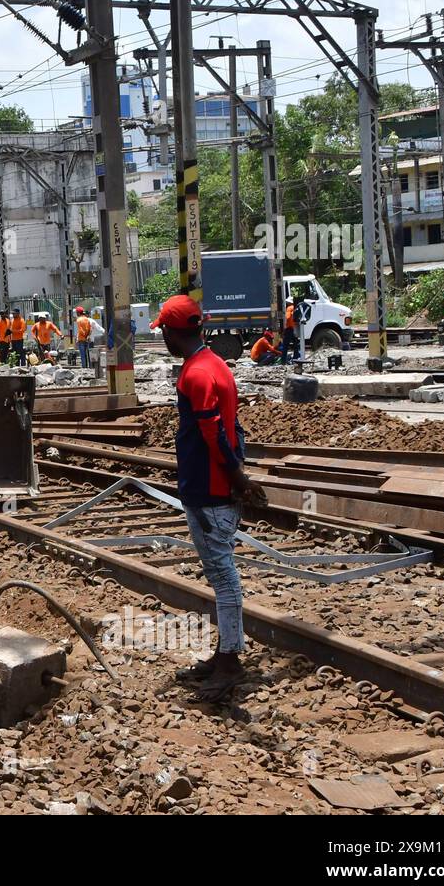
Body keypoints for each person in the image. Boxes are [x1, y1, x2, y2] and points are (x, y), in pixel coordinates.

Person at [152, 295, 267, 701]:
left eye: (163, 330)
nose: (163, 336)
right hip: (214, 484)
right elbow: (230, 428)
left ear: (170, 331)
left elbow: (213, 432)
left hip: (210, 488)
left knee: (223, 576)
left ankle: (231, 659)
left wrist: (238, 478)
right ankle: (223, 654)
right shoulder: (214, 363)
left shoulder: (196, 375)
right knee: (222, 574)